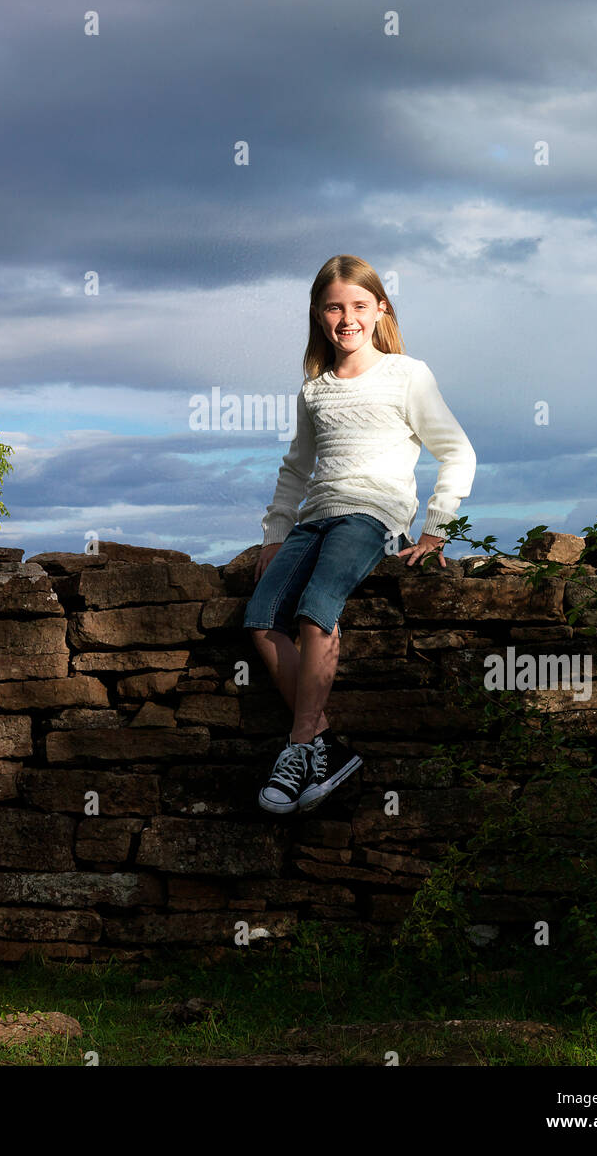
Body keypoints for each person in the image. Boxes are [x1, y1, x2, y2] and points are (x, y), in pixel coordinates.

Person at [242, 254, 476, 815]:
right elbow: (297, 468)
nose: (346, 318)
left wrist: (436, 531)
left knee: (316, 608)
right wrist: (276, 532)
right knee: (260, 617)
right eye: (333, 307)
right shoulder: (314, 390)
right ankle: (324, 744)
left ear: (380, 309)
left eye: (358, 306)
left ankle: (298, 748)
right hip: (315, 516)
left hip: (374, 514)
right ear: (319, 315)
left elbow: (457, 451)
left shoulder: (407, 374)